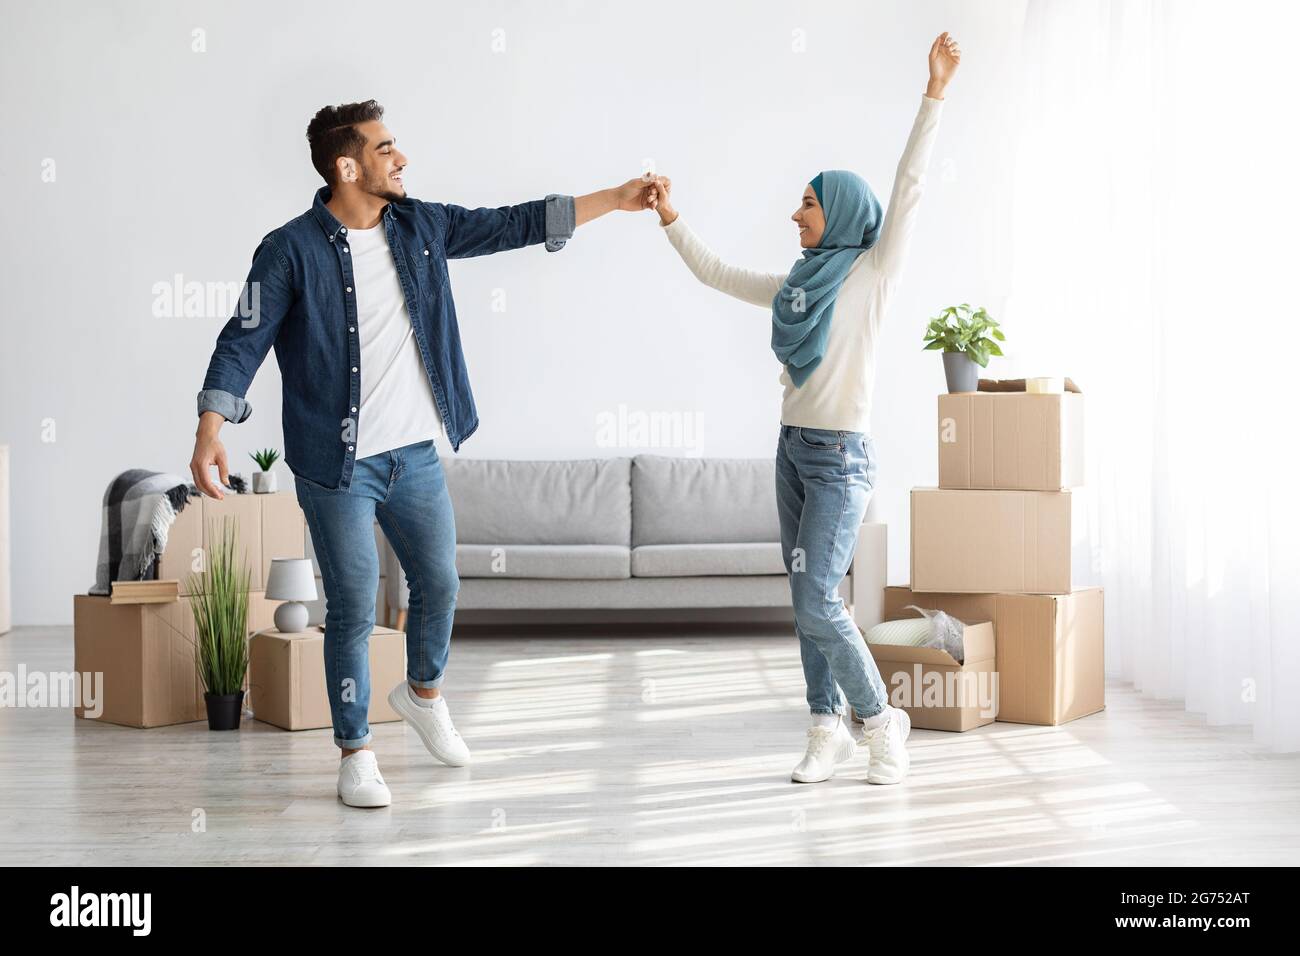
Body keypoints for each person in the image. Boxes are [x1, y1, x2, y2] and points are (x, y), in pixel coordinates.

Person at [190, 99, 657, 808]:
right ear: (347, 166)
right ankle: (355, 752)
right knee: (350, 607)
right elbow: (242, 339)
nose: (400, 158)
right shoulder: (290, 249)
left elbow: (514, 223)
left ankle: (423, 693)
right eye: (385, 149)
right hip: (335, 466)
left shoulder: (420, 226)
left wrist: (616, 200)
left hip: (414, 456)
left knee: (439, 585)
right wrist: (211, 426)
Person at [644, 32, 962, 785]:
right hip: (791, 449)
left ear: (843, 212)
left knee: (821, 598)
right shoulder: (799, 281)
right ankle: (827, 728)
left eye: (809, 203)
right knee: (804, 599)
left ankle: (882, 724)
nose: (795, 213)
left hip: (843, 457)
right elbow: (718, 273)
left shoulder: (874, 273)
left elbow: (910, 184)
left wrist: (935, 93)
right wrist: (669, 218)